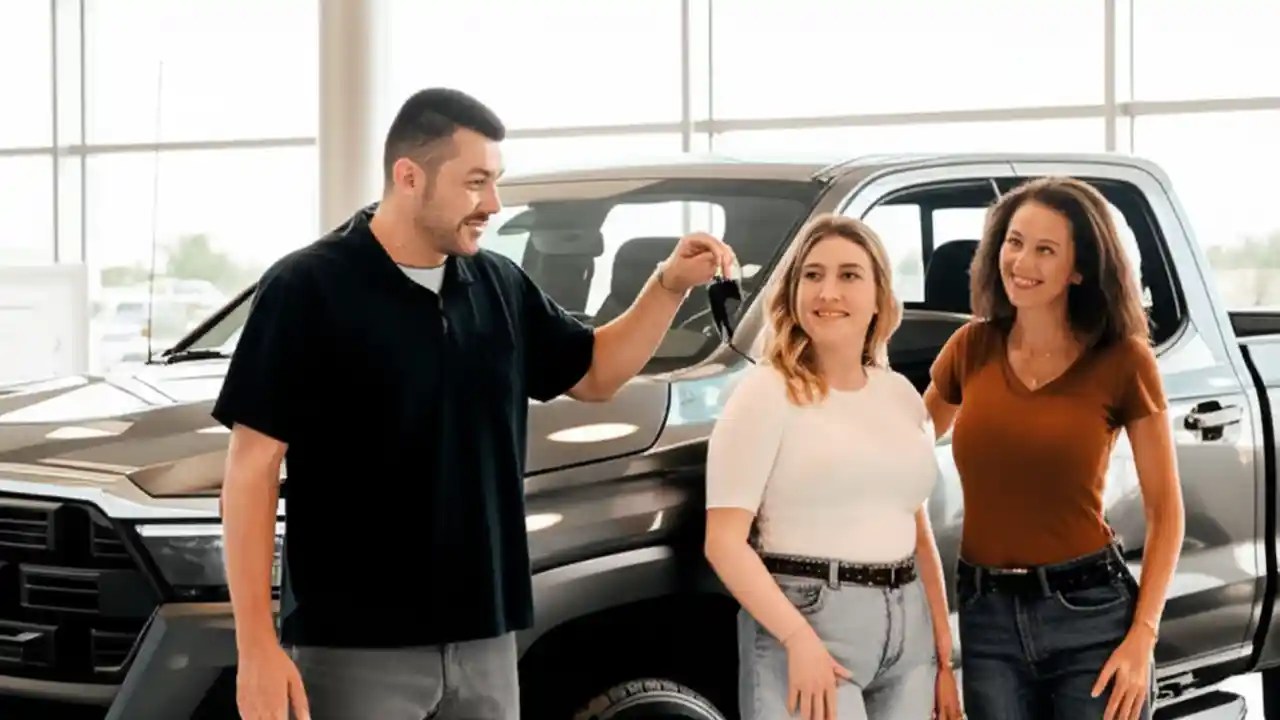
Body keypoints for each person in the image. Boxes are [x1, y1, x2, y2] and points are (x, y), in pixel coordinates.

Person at [213, 87, 736, 720]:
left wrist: (668, 286)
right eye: (476, 182)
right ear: (409, 177)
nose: (492, 203)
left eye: (496, 181)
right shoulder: (306, 289)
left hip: (486, 639)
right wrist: (256, 645)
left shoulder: (498, 283)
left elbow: (594, 372)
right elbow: (250, 469)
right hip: (353, 643)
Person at [923, 176, 1185, 720]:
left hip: (1091, 615)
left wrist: (1143, 636)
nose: (1022, 261)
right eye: (1014, 242)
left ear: (1079, 269)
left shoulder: (1124, 361)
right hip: (986, 614)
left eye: (1046, 250)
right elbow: (902, 450)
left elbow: (1166, 512)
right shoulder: (971, 348)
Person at [703, 213, 963, 720]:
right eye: (813, 275)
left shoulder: (900, 395)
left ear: (879, 295)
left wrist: (943, 657)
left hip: (908, 634)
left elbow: (916, 528)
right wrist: (798, 640)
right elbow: (724, 541)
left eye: (849, 275)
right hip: (806, 623)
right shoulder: (765, 392)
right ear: (793, 291)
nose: (828, 292)